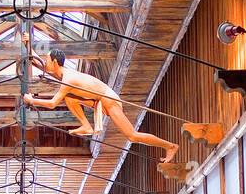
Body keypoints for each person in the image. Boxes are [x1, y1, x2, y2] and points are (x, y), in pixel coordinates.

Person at [21, 32, 179, 164]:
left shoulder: (68, 79)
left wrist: (31, 100)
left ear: (55, 62)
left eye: (48, 60)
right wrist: (28, 45)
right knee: (70, 97)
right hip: (98, 101)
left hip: (109, 100)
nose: (46, 63)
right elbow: (40, 64)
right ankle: (86, 126)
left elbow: (53, 103)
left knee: (132, 136)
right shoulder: (63, 74)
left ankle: (170, 146)